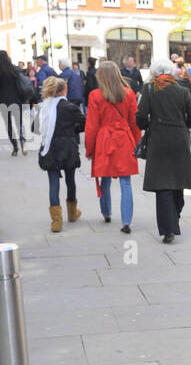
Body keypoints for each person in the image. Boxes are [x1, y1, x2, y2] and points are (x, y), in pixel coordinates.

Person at [135, 59, 191, 243]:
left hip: (159, 141)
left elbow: (140, 116)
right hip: (179, 140)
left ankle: (168, 229)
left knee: (162, 185)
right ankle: (174, 218)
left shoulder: (150, 89)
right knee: (178, 183)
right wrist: (181, 125)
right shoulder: (182, 90)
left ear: (155, 73)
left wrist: (148, 125)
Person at [84, 59, 141, 234]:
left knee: (105, 178)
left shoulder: (95, 95)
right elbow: (134, 122)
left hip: (104, 139)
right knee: (126, 181)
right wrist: (137, 141)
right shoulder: (129, 93)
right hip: (124, 138)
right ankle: (126, 221)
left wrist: (89, 147)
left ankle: (106, 213)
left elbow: (92, 125)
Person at [38, 75, 84, 231]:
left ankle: (56, 221)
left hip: (50, 147)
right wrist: (71, 130)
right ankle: (72, 213)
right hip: (68, 147)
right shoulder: (69, 107)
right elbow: (83, 123)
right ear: (64, 89)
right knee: (70, 180)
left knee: (53, 183)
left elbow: (35, 128)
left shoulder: (44, 107)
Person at [0, 50, 29, 155]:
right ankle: (23, 144)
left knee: (9, 124)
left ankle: (15, 147)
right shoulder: (15, 70)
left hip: (3, 101)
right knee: (19, 123)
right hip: (17, 100)